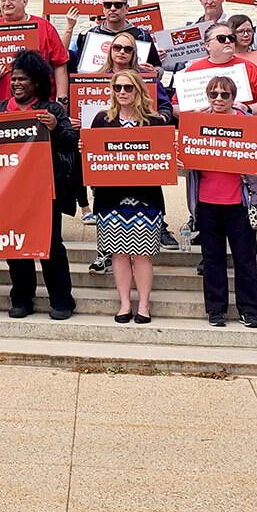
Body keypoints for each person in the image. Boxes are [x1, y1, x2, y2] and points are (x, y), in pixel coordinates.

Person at [0, 49, 77, 319]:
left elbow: (71, 142)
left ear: (36, 82)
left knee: (51, 246)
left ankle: (61, 300)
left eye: (22, 80)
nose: (16, 84)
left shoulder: (51, 109)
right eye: (14, 79)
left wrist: (56, 126)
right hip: (12, 192)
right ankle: (22, 298)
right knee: (17, 245)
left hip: (45, 190)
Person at [186, 75, 257, 328]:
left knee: (245, 259)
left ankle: (249, 310)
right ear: (207, 96)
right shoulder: (197, 122)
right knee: (212, 258)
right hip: (207, 202)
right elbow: (186, 165)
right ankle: (216, 310)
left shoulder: (249, 124)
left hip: (240, 203)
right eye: (213, 94)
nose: (218, 99)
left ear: (233, 98)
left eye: (224, 94)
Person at [85, 31, 179, 270]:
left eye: (128, 49)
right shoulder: (92, 78)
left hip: (142, 161)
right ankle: (104, 251)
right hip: (108, 160)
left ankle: (158, 231)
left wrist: (161, 120)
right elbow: (88, 119)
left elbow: (166, 107)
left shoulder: (146, 77)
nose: (122, 53)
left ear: (134, 53)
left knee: (144, 208)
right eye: (118, 48)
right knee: (105, 201)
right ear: (110, 50)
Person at [91, 69, 175, 325]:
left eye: (128, 88)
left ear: (138, 90)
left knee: (142, 254)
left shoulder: (156, 123)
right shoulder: (102, 120)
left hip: (145, 198)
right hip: (110, 198)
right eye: (118, 88)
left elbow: (165, 159)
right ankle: (125, 303)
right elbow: (93, 157)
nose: (123, 93)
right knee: (117, 253)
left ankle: (144, 305)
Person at [0, 0, 69, 104]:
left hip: (40, 104)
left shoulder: (44, 27)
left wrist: (62, 100)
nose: (7, 3)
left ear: (25, 1)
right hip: (1, 106)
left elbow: (60, 64)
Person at [182, 23, 257, 116]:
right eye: (221, 38)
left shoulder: (250, 68)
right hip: (202, 127)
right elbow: (175, 106)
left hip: (241, 128)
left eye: (231, 38)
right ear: (207, 46)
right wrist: (193, 113)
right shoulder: (193, 69)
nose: (228, 41)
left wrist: (247, 109)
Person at [66, 0, 159, 73]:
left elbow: (158, 68)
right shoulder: (89, 35)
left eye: (118, 5)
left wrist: (155, 72)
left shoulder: (142, 36)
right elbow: (75, 65)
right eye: (108, 5)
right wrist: (69, 27)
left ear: (126, 8)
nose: (112, 8)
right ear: (103, 9)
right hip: (97, 89)